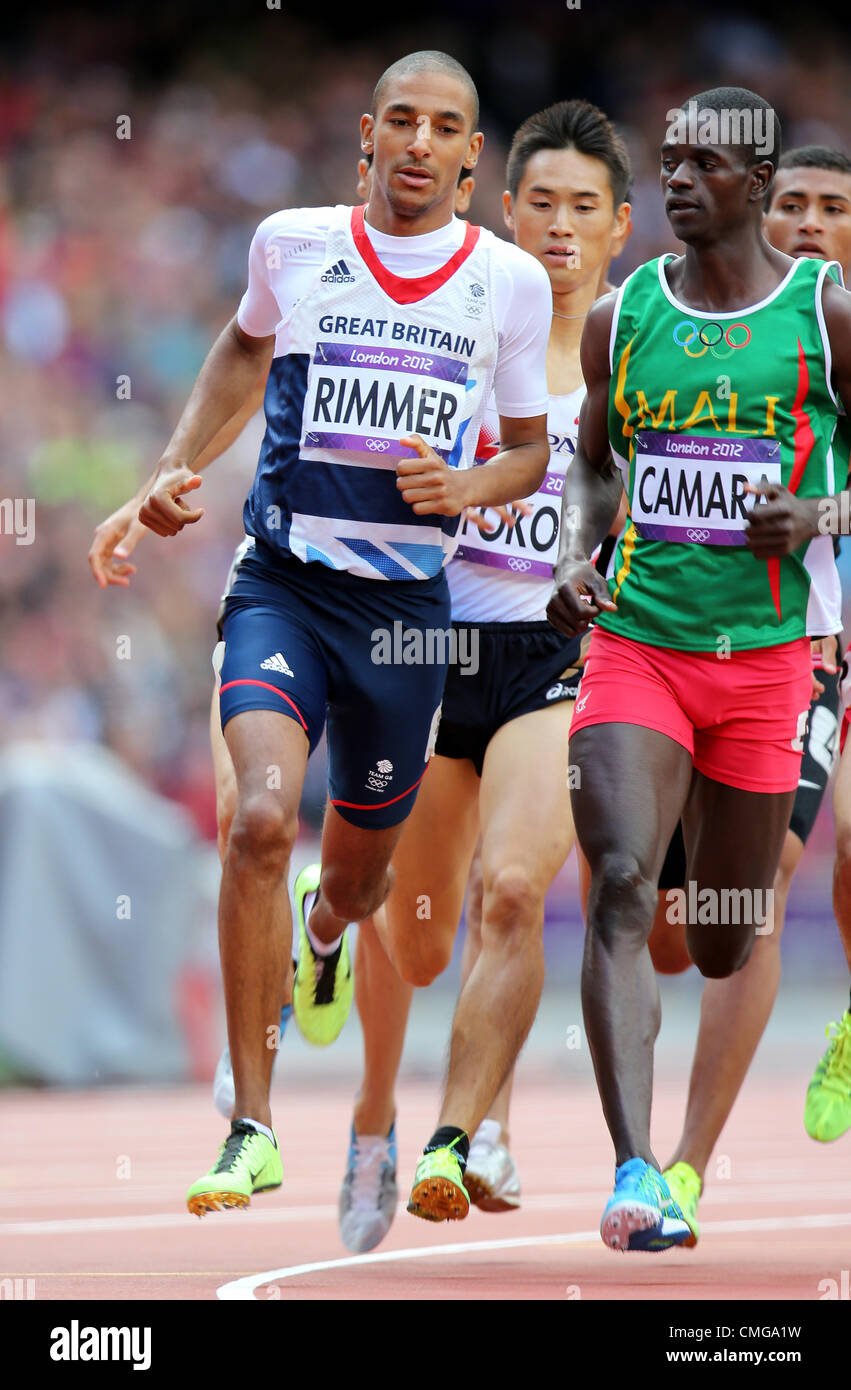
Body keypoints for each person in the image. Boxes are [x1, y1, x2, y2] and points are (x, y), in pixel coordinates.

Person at [99, 49, 553, 1217]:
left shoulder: (505, 283)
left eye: (441, 127)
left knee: (356, 883)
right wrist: (170, 470)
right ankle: (250, 1126)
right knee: (256, 818)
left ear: (468, 154)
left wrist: (471, 488)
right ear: (366, 133)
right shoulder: (292, 243)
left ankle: (323, 926)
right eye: (396, 120)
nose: (415, 142)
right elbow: (244, 351)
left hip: (406, 618)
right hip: (284, 589)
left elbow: (527, 450)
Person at [547, 86, 851, 1252]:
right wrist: (580, 556)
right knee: (618, 884)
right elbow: (590, 466)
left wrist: (821, 510)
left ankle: (689, 858)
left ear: (757, 187)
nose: (671, 181)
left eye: (702, 164)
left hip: (767, 669)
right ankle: (635, 1172)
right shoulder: (619, 318)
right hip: (640, 649)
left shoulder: (821, 314)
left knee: (718, 935)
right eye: (667, 161)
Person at [334, 99, 632, 1239]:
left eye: (584, 210)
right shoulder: (451, 325)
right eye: (540, 204)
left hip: (553, 658)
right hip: (424, 646)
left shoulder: (634, 352)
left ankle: (457, 1137)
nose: (559, 229)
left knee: (512, 891)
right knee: (411, 936)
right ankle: (372, 1111)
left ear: (617, 229)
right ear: (504, 211)